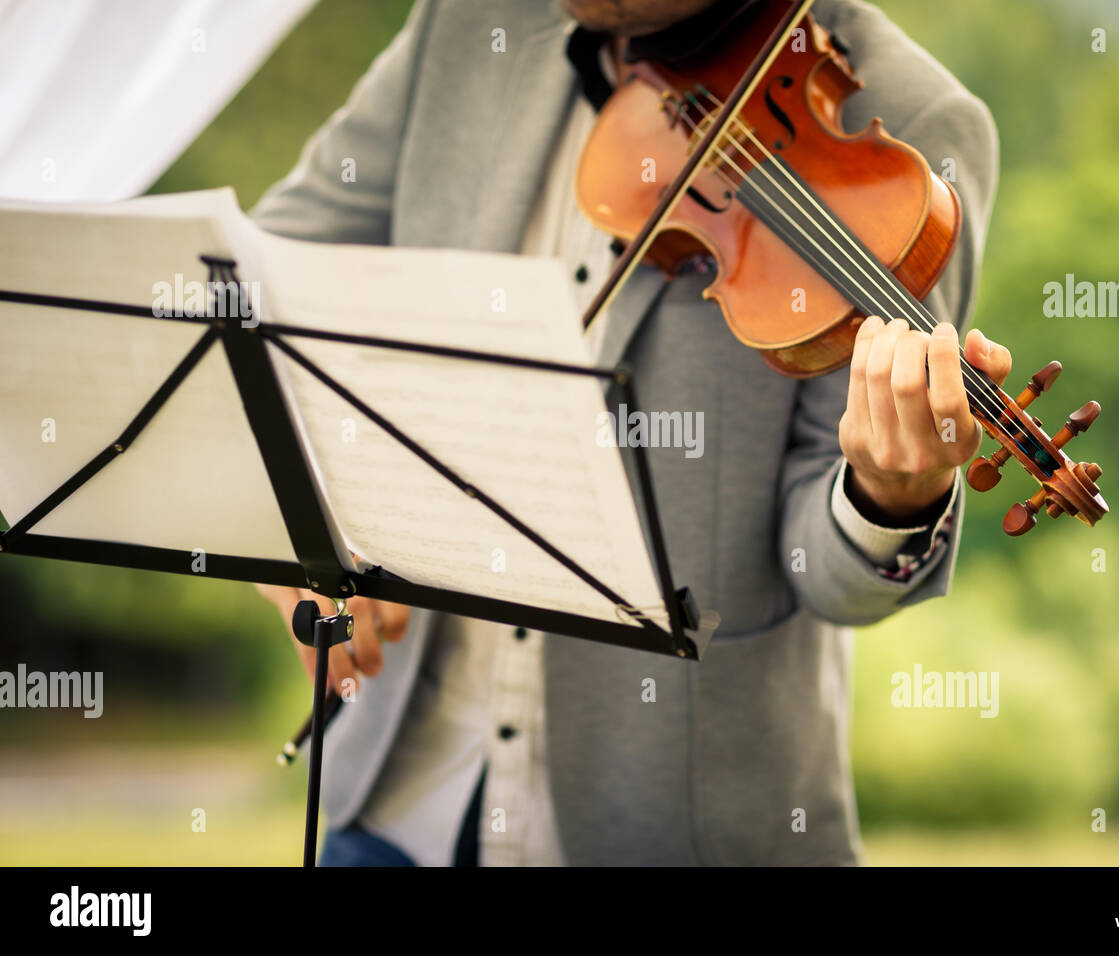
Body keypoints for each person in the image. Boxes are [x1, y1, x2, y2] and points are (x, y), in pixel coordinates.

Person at [254, 0, 1005, 866]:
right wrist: (303, 502)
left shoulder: (915, 123)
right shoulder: (470, 19)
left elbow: (827, 569)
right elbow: (269, 278)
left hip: (677, 825)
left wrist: (892, 495)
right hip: (395, 807)